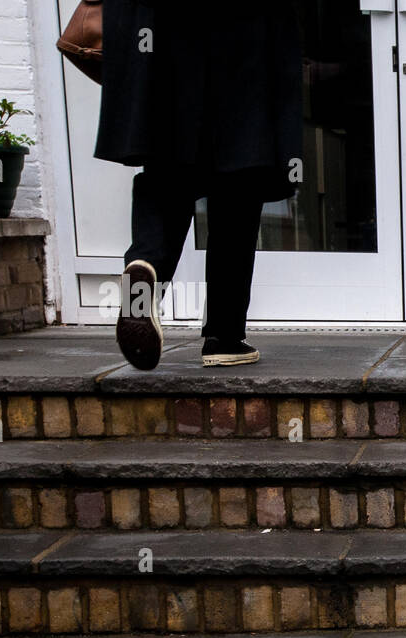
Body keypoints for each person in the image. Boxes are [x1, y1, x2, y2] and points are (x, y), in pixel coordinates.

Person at [95, 0, 303, 369]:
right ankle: (224, 337)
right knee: (240, 174)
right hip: (245, 33)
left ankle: (147, 264)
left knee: (168, 167)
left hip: (166, 33)